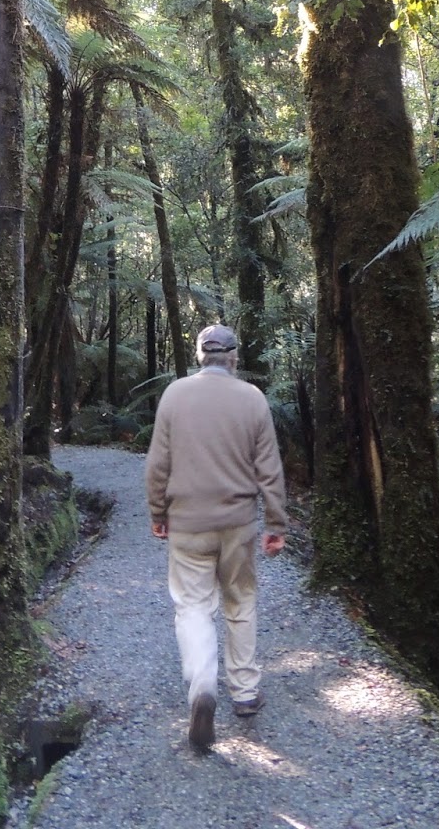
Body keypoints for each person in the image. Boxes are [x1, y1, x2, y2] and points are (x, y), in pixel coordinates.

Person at [144, 323, 288, 754]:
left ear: (199, 355)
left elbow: (157, 464)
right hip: (238, 525)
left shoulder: (174, 394)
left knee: (192, 607)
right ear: (234, 357)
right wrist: (276, 524)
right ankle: (244, 692)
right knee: (240, 603)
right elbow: (270, 468)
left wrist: (157, 512)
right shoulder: (253, 399)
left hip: (187, 524)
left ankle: (203, 684)